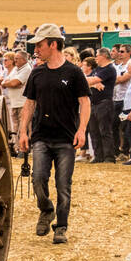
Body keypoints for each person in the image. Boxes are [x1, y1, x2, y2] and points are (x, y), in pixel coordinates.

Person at [18, 24, 89, 245]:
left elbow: (85, 102)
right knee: (38, 179)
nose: (36, 49)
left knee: (63, 185)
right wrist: (22, 131)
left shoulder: (74, 72)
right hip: (41, 136)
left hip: (66, 138)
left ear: (53, 44)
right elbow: (29, 104)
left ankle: (61, 227)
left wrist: (82, 129)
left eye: (40, 45)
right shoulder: (37, 72)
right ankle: (46, 209)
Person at [87, 47, 117, 163]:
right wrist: (94, 83)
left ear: (104, 56)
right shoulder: (98, 69)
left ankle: (109, 157)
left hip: (104, 103)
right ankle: (98, 156)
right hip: (94, 103)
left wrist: (94, 82)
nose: (95, 58)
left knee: (105, 131)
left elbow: (92, 80)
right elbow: (91, 81)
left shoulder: (109, 69)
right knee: (94, 131)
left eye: (97, 55)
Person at [1, 50, 33, 154]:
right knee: (16, 127)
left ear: (24, 59)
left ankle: (25, 148)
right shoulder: (16, 69)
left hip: (23, 102)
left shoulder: (27, 69)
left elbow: (16, 82)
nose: (15, 61)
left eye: (17, 59)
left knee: (24, 126)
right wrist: (9, 83)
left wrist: (9, 83)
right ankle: (18, 148)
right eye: (14, 59)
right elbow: (4, 81)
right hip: (15, 102)